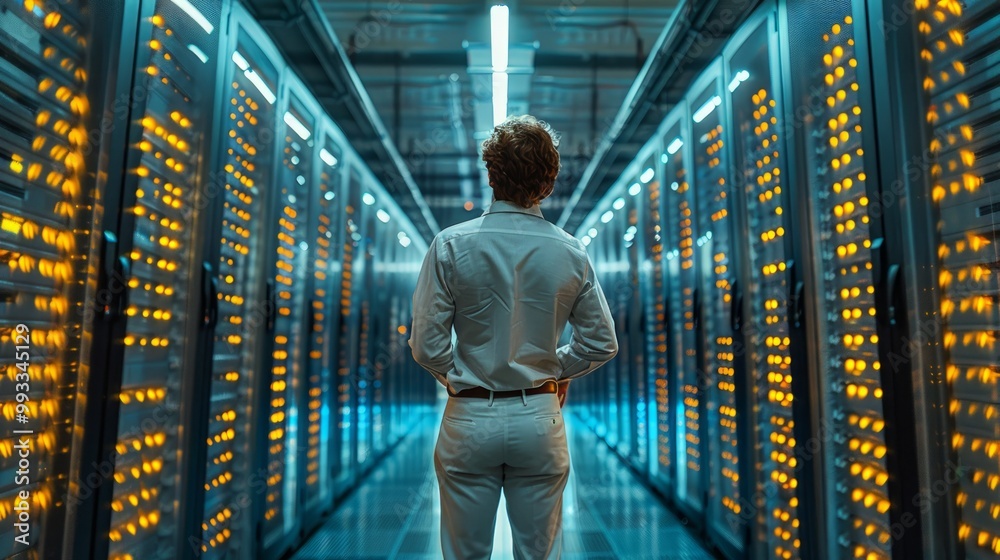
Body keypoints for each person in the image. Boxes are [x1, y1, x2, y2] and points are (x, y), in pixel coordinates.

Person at [409, 115, 618, 560]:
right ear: (549, 182)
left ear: (490, 175)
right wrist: (551, 369)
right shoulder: (570, 250)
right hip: (540, 418)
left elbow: (426, 345)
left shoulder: (449, 245)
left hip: (468, 419)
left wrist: (456, 374)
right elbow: (601, 343)